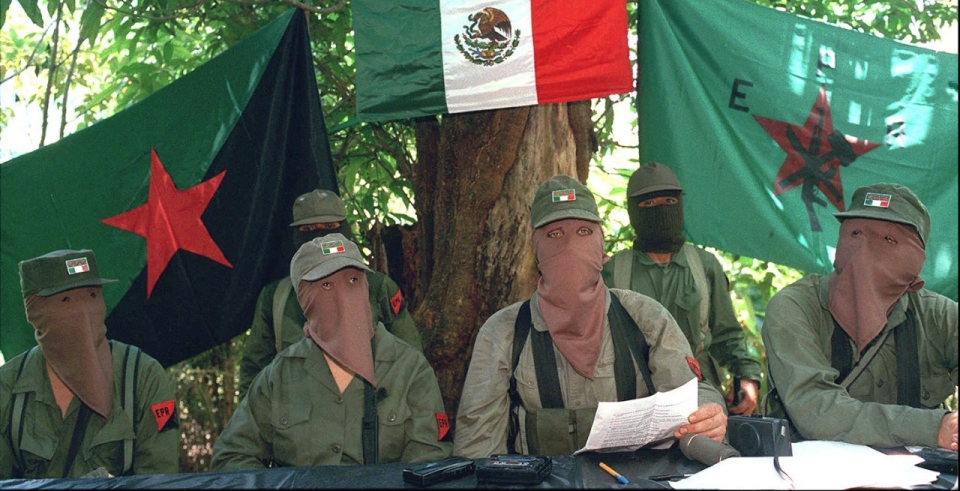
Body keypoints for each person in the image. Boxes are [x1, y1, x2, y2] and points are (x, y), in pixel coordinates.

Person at [454, 175, 727, 459]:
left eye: (584, 232)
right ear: (536, 248)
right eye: (555, 235)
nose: (571, 247)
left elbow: (688, 398)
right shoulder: (504, 333)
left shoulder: (645, 318)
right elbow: (478, 450)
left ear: (600, 242)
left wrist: (708, 416)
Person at [211, 233, 452, 469]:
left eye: (353, 281)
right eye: (326, 285)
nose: (344, 297)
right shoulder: (279, 377)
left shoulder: (409, 370)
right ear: (304, 299)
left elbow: (430, 461)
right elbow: (232, 456)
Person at [762, 183, 958, 449]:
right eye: (856, 234)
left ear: (916, 257)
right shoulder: (795, 308)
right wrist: (934, 428)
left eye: (889, 240)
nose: (865, 251)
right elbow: (816, 410)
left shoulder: (940, 317)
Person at [0, 249, 179, 479]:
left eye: (92, 296)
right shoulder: (8, 387)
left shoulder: (143, 377)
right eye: (65, 300)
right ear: (34, 311)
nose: (84, 311)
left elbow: (159, 477)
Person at [602, 162, 762, 414]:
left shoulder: (704, 266)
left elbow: (726, 334)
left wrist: (747, 375)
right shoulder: (613, 272)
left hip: (696, 386)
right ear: (634, 212)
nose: (660, 211)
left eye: (668, 201)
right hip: (633, 392)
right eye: (648, 205)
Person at [239, 188, 422, 398]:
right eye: (308, 229)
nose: (319, 236)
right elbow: (253, 375)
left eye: (329, 227)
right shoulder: (276, 298)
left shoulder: (379, 288)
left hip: (368, 419)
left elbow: (412, 364)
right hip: (299, 421)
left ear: (344, 229)